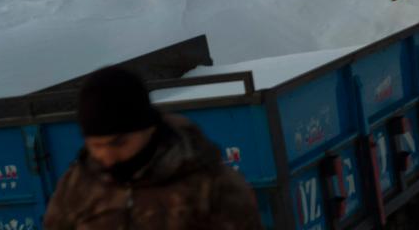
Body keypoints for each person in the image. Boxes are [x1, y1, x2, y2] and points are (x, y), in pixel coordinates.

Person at [43, 65, 262, 230]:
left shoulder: (211, 185)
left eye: (119, 143)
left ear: (149, 128)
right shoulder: (76, 186)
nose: (107, 157)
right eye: (95, 146)